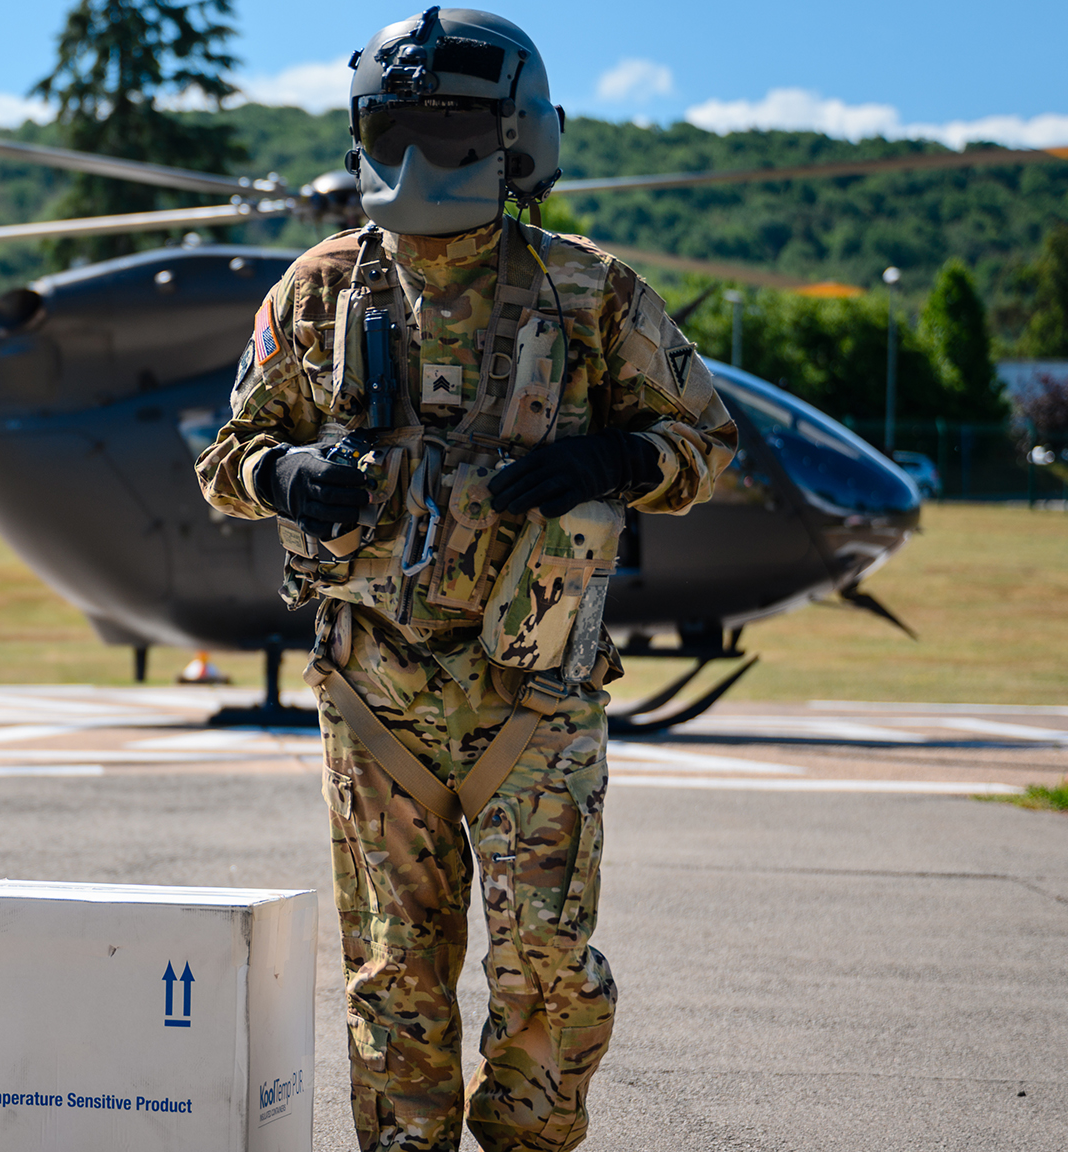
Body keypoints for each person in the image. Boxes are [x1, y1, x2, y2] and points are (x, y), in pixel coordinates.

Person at [195, 9, 737, 1151]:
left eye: (449, 130)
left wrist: (615, 457)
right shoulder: (316, 292)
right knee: (394, 977)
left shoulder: (588, 293)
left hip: (531, 700)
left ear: (515, 140)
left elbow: (706, 447)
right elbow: (223, 462)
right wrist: (284, 471)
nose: (418, 156)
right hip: (373, 698)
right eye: (395, 127)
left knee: (547, 972)